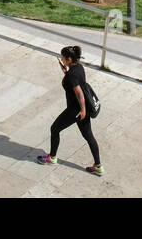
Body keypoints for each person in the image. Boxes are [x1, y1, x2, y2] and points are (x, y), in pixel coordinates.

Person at [37, 45, 103, 175]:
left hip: (75, 110)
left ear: (69, 59)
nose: (61, 59)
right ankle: (98, 166)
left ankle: (52, 158)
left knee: (54, 129)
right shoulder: (78, 67)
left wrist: (82, 110)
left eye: (63, 57)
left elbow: (79, 93)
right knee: (89, 136)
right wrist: (65, 72)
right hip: (80, 110)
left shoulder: (71, 75)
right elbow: (75, 81)